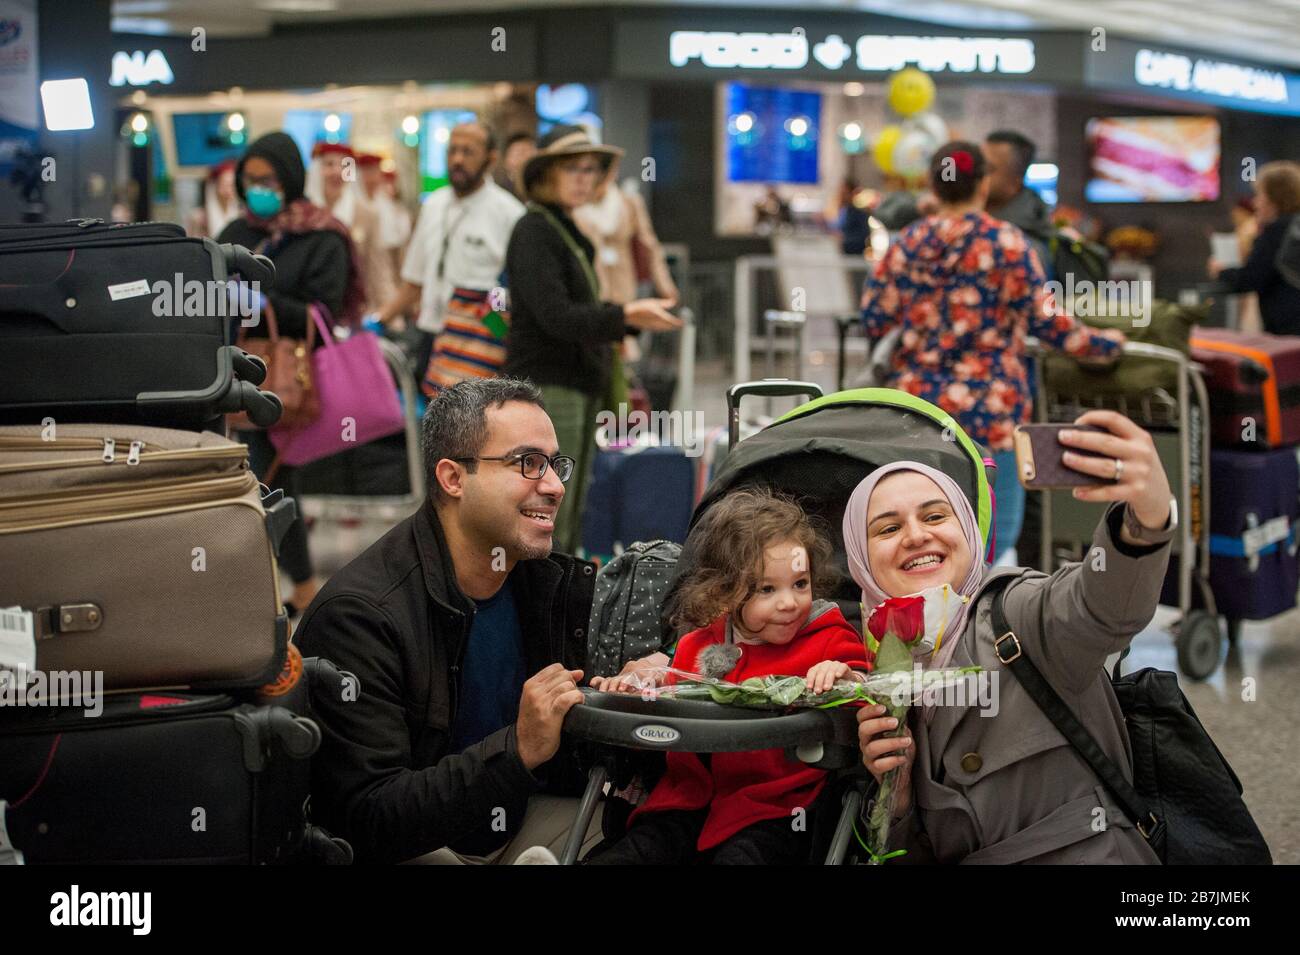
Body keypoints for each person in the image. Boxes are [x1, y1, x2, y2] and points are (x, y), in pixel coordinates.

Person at [294, 377, 604, 865]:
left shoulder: (543, 581)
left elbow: (565, 760)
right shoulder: (360, 616)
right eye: (529, 464)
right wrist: (517, 749)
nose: (555, 485)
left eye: (554, 464)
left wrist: (626, 691)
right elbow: (369, 815)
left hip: (517, 823)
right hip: (415, 847)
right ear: (453, 478)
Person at [847, 409, 1178, 864]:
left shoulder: (1016, 610)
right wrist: (896, 796)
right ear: (860, 559)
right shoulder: (875, 666)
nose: (916, 536)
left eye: (936, 515)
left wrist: (1145, 519)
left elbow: (1102, 606)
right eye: (888, 528)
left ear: (966, 527)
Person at [860, 141, 1123, 564]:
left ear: (932, 183)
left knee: (921, 527)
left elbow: (873, 318)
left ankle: (928, 623)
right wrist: (1106, 343)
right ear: (982, 183)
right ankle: (974, 620)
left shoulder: (906, 244)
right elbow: (1048, 321)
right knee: (991, 533)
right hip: (991, 411)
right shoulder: (1005, 242)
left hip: (918, 411)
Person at [584, 489, 870, 865]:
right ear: (724, 593)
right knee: (639, 850)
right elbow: (662, 717)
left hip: (776, 808)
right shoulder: (696, 646)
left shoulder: (829, 639)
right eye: (767, 589)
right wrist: (631, 695)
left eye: (800, 584)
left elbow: (866, 701)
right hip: (687, 799)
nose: (789, 602)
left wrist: (845, 678)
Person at [504, 124, 682, 555]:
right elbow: (556, 316)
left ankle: (557, 598)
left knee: (571, 499)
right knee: (548, 503)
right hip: (551, 385)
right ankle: (540, 599)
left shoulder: (563, 227)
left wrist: (624, 318)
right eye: (572, 168)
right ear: (547, 174)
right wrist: (624, 315)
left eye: (590, 169)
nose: (584, 177)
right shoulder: (535, 230)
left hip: (576, 382)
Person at [218, 131, 366, 616]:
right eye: (250, 179)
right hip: (229, 374)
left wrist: (263, 304)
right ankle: (276, 586)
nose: (258, 187)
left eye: (268, 179)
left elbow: (323, 317)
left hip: (288, 384)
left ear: (290, 178)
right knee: (246, 481)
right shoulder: (235, 233)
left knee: (272, 481)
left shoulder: (323, 235)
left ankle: (297, 587)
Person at [373, 121, 524, 394]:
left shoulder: (510, 214)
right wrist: (379, 320)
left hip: (478, 345)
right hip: (431, 338)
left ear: (491, 158)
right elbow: (414, 281)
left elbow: (513, 287)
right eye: (452, 151)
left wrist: (494, 318)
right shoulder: (433, 205)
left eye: (468, 152)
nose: (457, 159)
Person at [1209, 160, 1300, 337]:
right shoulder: (1294, 226)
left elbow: (1251, 278)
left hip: (1288, 333)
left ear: (1275, 198)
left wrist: (1221, 271)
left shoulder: (1277, 231)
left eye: (1259, 195)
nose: (1255, 203)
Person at [305, 141, 391, 313]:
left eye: (344, 166)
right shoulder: (304, 215)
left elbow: (377, 269)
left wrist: (387, 311)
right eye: (329, 164)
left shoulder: (366, 214)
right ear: (317, 170)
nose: (337, 171)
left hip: (353, 309)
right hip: (309, 308)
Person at [982, 130, 1052, 276]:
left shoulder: (1028, 246)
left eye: (988, 169)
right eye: (977, 166)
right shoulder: (976, 217)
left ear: (1015, 180)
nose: (978, 174)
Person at [186, 159, 241, 239]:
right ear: (215, 185)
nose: (230, 189)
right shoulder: (198, 217)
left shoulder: (240, 214)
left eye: (233, 185)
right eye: (226, 184)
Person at [494, 131, 536, 202]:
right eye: (521, 153)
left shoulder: (538, 192)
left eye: (532, 152)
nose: (528, 158)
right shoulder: (500, 193)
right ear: (506, 160)